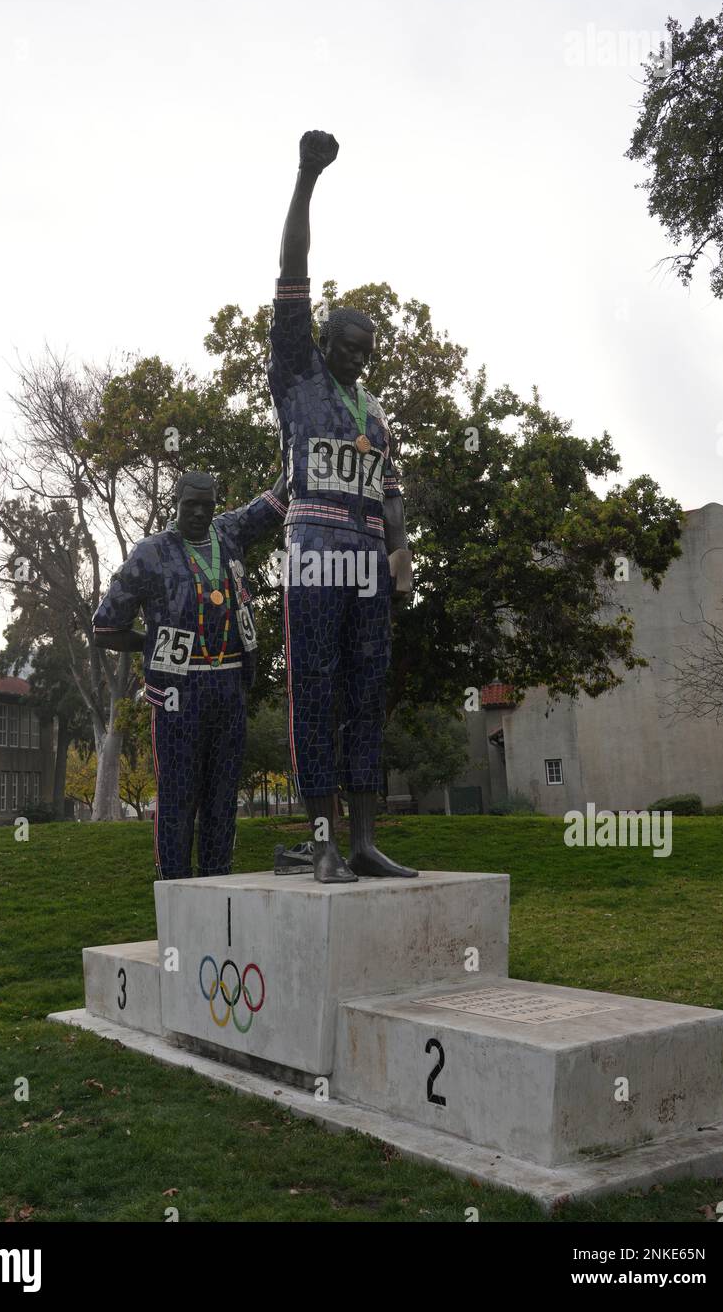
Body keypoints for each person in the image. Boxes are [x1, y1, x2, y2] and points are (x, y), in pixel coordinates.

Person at [267, 129, 417, 883]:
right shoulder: (297, 376)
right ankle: (321, 841)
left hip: (366, 559)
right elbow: (292, 267)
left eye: (368, 349)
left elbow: (392, 497)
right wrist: (306, 179)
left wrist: (403, 563)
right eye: (348, 345)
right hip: (314, 548)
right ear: (323, 341)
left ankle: (362, 839)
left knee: (367, 693)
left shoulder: (376, 413)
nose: (359, 356)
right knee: (316, 690)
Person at [92, 472, 286, 878]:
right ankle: (175, 889)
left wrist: (296, 451)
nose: (199, 512)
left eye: (207, 505)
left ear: (216, 504)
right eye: (189, 505)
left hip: (230, 684)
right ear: (174, 502)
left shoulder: (228, 533)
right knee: (178, 794)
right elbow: (106, 627)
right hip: (178, 693)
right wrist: (153, 642)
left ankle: (217, 882)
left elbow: (268, 505)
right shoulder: (151, 553)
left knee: (222, 795)